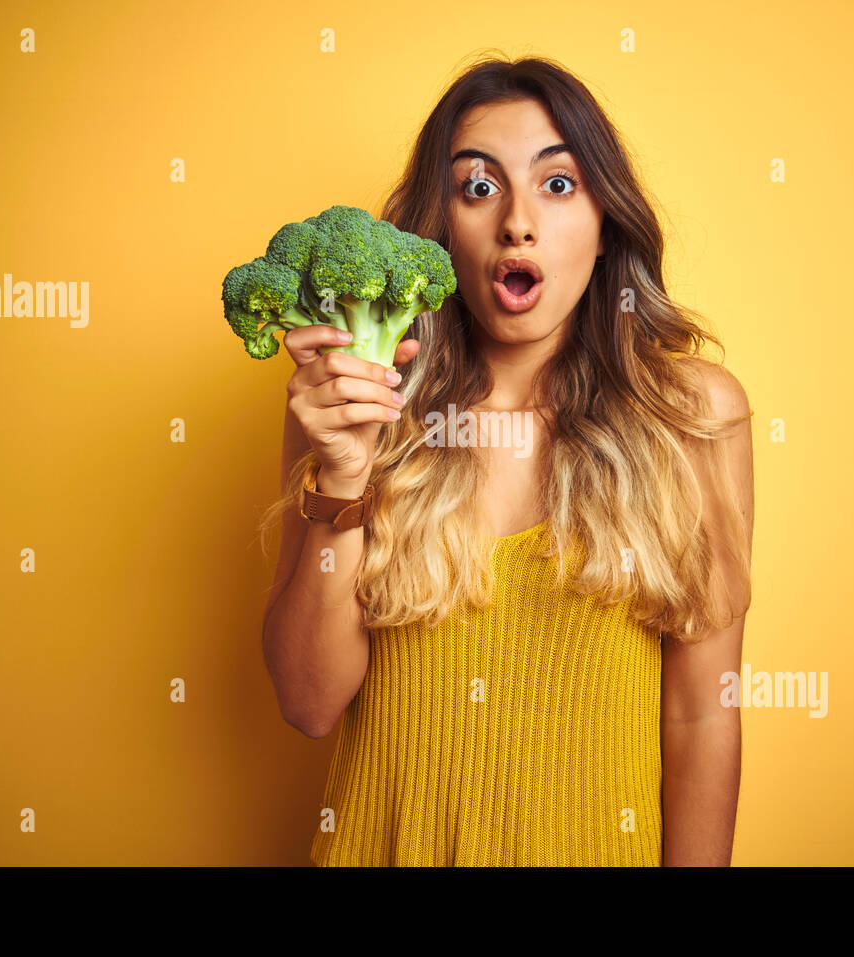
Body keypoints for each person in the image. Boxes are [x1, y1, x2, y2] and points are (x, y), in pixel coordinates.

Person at [260, 54, 754, 866]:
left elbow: (704, 712)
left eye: (557, 184)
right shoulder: (356, 405)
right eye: (478, 187)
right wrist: (343, 475)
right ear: (437, 232)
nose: (517, 221)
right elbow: (309, 704)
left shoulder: (691, 414)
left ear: (604, 223)